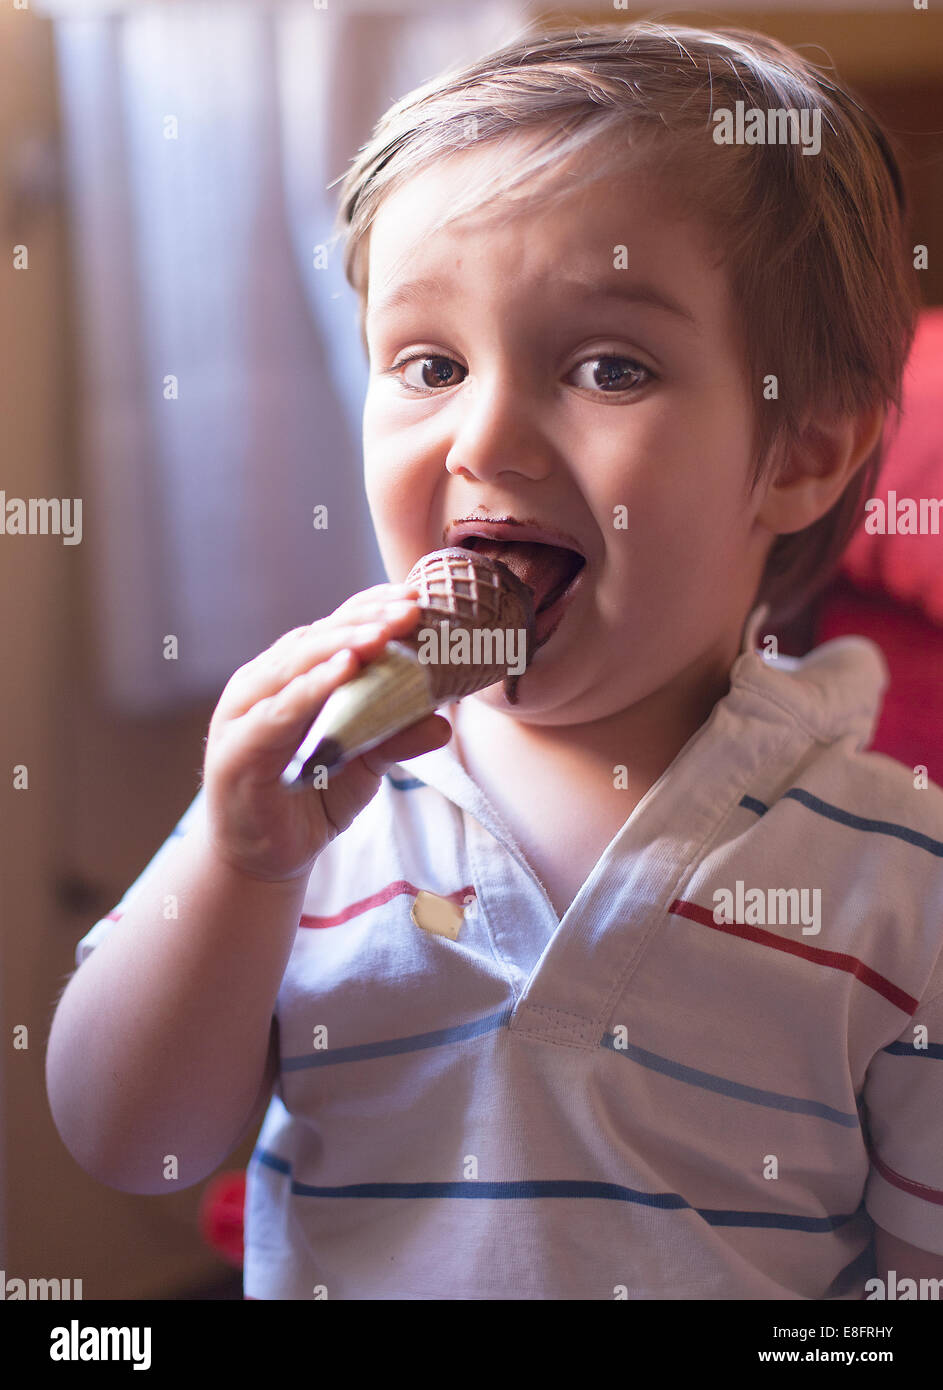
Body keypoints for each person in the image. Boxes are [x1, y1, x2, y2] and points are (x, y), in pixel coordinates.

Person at [46, 21, 943, 1299]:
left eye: (606, 366)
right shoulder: (309, 796)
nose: (486, 435)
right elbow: (137, 1144)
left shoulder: (896, 881)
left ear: (798, 450)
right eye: (429, 364)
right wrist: (236, 861)